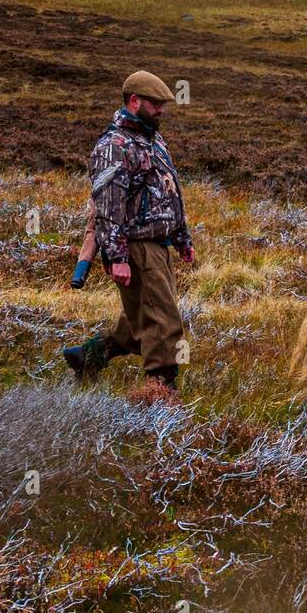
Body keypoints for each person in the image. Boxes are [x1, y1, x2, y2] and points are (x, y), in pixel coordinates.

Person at [62, 70, 193, 390]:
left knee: (142, 316)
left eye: (163, 104)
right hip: (135, 246)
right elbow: (107, 208)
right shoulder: (114, 146)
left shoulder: (152, 140)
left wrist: (181, 238)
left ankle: (88, 356)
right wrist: (117, 256)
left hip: (158, 244)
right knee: (163, 323)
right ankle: (160, 397)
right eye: (155, 103)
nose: (161, 110)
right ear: (134, 101)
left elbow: (169, 191)